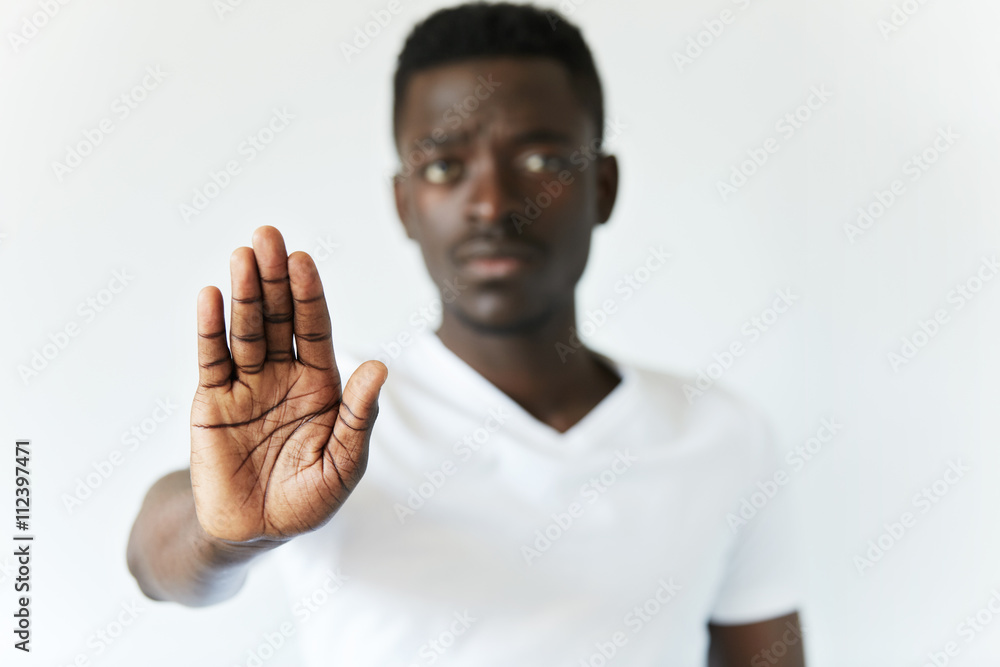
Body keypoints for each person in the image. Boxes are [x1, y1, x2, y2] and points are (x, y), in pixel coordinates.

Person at [126, 3, 806, 665]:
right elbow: (158, 558)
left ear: (603, 186)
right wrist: (225, 535)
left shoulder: (721, 433)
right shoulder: (328, 417)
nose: (493, 204)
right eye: (446, 166)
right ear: (404, 203)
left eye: (541, 161)